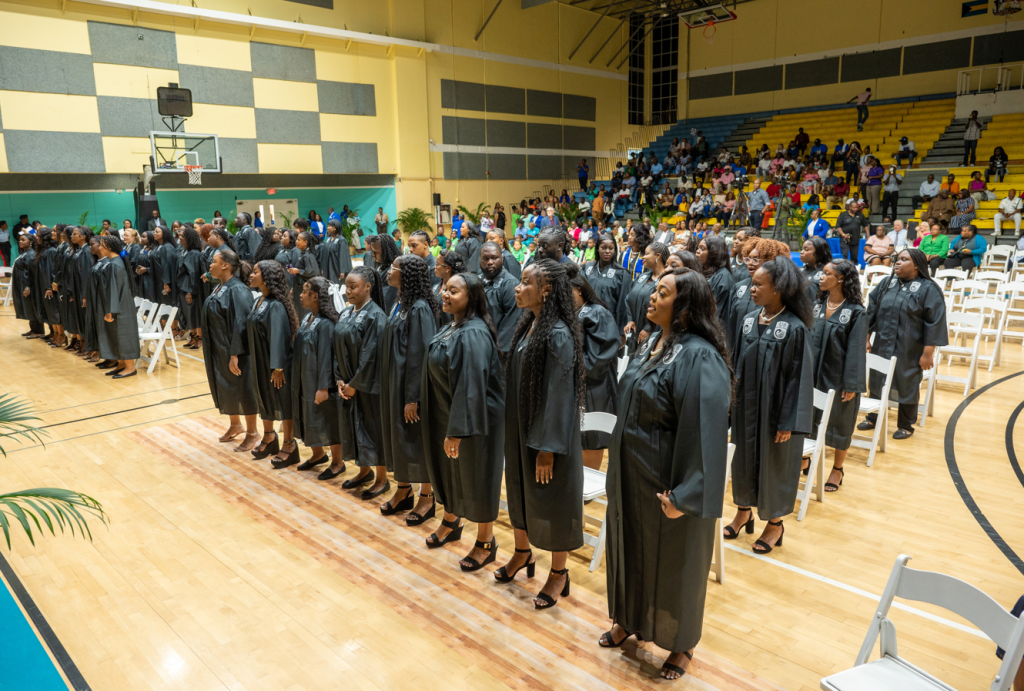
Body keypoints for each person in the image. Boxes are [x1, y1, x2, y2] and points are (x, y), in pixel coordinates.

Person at [601, 268, 731, 679]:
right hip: (631, 474)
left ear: (685, 307)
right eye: (653, 290)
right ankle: (630, 618)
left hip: (668, 480)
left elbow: (706, 432)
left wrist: (687, 495)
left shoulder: (699, 355)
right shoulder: (650, 344)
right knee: (629, 549)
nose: (651, 298)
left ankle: (682, 642)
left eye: (662, 293)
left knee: (676, 561)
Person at [496, 259, 584, 610]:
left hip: (549, 439)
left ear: (546, 290)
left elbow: (559, 396)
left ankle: (559, 572)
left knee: (553, 502)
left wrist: (546, 449)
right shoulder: (531, 324)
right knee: (519, 492)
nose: (518, 288)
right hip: (522, 432)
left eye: (525, 282)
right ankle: (522, 552)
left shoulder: (558, 334)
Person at [727, 257, 814, 554]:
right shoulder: (749, 319)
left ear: (778, 289)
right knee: (742, 460)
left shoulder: (794, 328)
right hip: (745, 409)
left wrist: (789, 420)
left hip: (775, 413)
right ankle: (743, 511)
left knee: (773, 465)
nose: (751, 289)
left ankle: (775, 523)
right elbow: (736, 364)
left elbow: (799, 378)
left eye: (758, 285)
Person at [421, 272, 506, 571]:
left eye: (453, 291)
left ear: (471, 297)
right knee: (450, 471)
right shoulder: (452, 327)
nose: (445, 294)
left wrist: (457, 429)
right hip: (450, 413)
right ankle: (451, 520)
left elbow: (472, 384)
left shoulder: (474, 332)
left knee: (478, 477)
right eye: (445, 289)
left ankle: (486, 541)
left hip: (476, 420)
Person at [378, 254, 440, 525]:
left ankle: (427, 497)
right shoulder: (399, 303)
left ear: (407, 275)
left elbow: (421, 354)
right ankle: (403, 490)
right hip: (395, 382)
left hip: (411, 388)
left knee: (416, 440)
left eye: (394, 268)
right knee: (400, 438)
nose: (389, 271)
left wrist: (413, 396)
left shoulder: (419, 308)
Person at [861, 248, 947, 439]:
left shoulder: (928, 288)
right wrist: (866, 337)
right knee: (877, 379)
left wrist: (928, 353)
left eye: (904, 260)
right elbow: (871, 311)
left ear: (916, 265)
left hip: (910, 346)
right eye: (897, 259)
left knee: (906, 381)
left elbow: (934, 322)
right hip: (882, 342)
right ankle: (873, 416)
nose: (897, 262)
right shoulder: (887, 283)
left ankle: (906, 424)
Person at [329, 267, 389, 494]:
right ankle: (364, 470)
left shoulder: (376, 316)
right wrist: (339, 379)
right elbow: (337, 349)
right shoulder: (346, 313)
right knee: (353, 429)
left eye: (353, 287)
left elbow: (371, 356)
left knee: (374, 430)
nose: (348, 292)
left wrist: (355, 384)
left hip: (369, 386)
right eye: (347, 288)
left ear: (367, 287)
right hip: (347, 385)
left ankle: (382, 479)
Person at [808, 260, 866, 492]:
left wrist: (851, 383)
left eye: (827, 274)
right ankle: (805, 458)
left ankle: (838, 468)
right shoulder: (816, 306)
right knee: (809, 416)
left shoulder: (855, 312)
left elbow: (856, 350)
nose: (821, 278)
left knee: (841, 421)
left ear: (840, 278)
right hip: (813, 374)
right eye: (822, 273)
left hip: (840, 376)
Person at [283, 277, 343, 475]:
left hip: (319, 382)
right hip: (304, 378)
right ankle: (318, 454)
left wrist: (324, 387)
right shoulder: (310, 318)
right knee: (307, 416)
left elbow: (327, 357)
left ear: (315, 296)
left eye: (305, 291)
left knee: (327, 421)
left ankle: (337, 463)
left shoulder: (326, 324)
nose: (300, 294)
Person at [201, 250, 260, 451]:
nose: (210, 265)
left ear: (225, 265)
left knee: (243, 388)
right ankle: (236, 425)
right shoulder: (220, 287)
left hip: (236, 350)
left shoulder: (238, 290)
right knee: (226, 386)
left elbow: (242, 324)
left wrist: (235, 353)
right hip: (219, 347)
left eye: (214, 262)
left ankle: (253, 432)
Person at [246, 260, 299, 467]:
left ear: (267, 277)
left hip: (277, 365)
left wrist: (278, 367)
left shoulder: (276, 305)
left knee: (283, 402)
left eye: (256, 272)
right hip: (260, 360)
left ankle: (289, 445)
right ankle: (269, 437)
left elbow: (279, 337)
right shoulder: (259, 300)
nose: (251, 275)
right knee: (264, 398)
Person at [566, 264, 619, 471]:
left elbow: (602, 353)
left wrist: (579, 372)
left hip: (595, 384)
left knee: (591, 435)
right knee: (579, 435)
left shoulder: (596, 313)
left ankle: (589, 481)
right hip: (578, 383)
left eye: (567, 292)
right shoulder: (575, 313)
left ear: (579, 289)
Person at [92, 235, 140, 378]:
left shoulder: (115, 264)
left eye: (101, 245)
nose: (99, 247)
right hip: (119, 305)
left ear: (108, 247)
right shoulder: (114, 262)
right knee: (115, 335)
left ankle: (130, 367)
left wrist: (110, 311)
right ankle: (121, 364)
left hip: (120, 307)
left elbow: (114, 289)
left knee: (123, 336)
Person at [624, 242, 668, 354]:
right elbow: (628, 297)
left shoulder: (666, 280)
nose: (643, 256)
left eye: (647, 253)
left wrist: (649, 329)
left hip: (652, 333)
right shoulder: (642, 276)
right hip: (633, 332)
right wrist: (630, 320)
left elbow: (663, 308)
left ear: (657, 256)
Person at [583, 234, 630, 330]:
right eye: (603, 248)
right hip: (585, 321)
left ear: (615, 250)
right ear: (597, 249)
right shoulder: (587, 268)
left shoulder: (621, 273)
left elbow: (623, 305)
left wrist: (620, 331)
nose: (607, 251)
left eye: (611, 248)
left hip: (608, 325)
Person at [478, 242, 518, 353]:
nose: (490, 262)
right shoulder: (478, 281)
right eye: (485, 259)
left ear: (502, 258)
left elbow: (512, 322)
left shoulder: (510, 284)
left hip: (498, 350)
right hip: (479, 343)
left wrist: (499, 349)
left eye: (494, 258)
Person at [176, 227, 204, 350]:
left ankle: (200, 338)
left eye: (182, 236)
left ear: (189, 239)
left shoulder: (193, 253)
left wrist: (189, 291)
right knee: (188, 313)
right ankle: (192, 337)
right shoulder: (184, 251)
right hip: (183, 287)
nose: (179, 238)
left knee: (194, 313)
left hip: (190, 288)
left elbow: (192, 273)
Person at [697, 235, 734, 329]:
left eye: (702, 248)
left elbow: (717, 311)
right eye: (698, 248)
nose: (697, 251)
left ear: (714, 252)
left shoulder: (723, 277)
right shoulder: (700, 271)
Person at [364, 234, 400, 313]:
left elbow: (386, 299)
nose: (373, 255)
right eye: (372, 251)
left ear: (386, 253)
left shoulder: (392, 273)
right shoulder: (381, 267)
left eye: (376, 252)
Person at [289, 231, 320, 319]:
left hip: (306, 290)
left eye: (299, 240)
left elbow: (312, 272)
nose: (296, 241)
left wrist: (298, 271)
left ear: (305, 242)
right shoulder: (303, 254)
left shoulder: (308, 256)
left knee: (305, 312)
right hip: (298, 288)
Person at [432, 249, 467, 327]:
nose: (435, 267)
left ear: (447, 268)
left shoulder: (457, 291)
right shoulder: (436, 286)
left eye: (437, 264)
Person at [322, 219, 353, 285]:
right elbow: (324, 255)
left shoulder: (341, 240)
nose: (327, 228)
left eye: (330, 226)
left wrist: (342, 271)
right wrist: (323, 269)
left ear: (335, 227)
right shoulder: (328, 240)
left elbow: (343, 256)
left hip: (337, 268)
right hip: (328, 267)